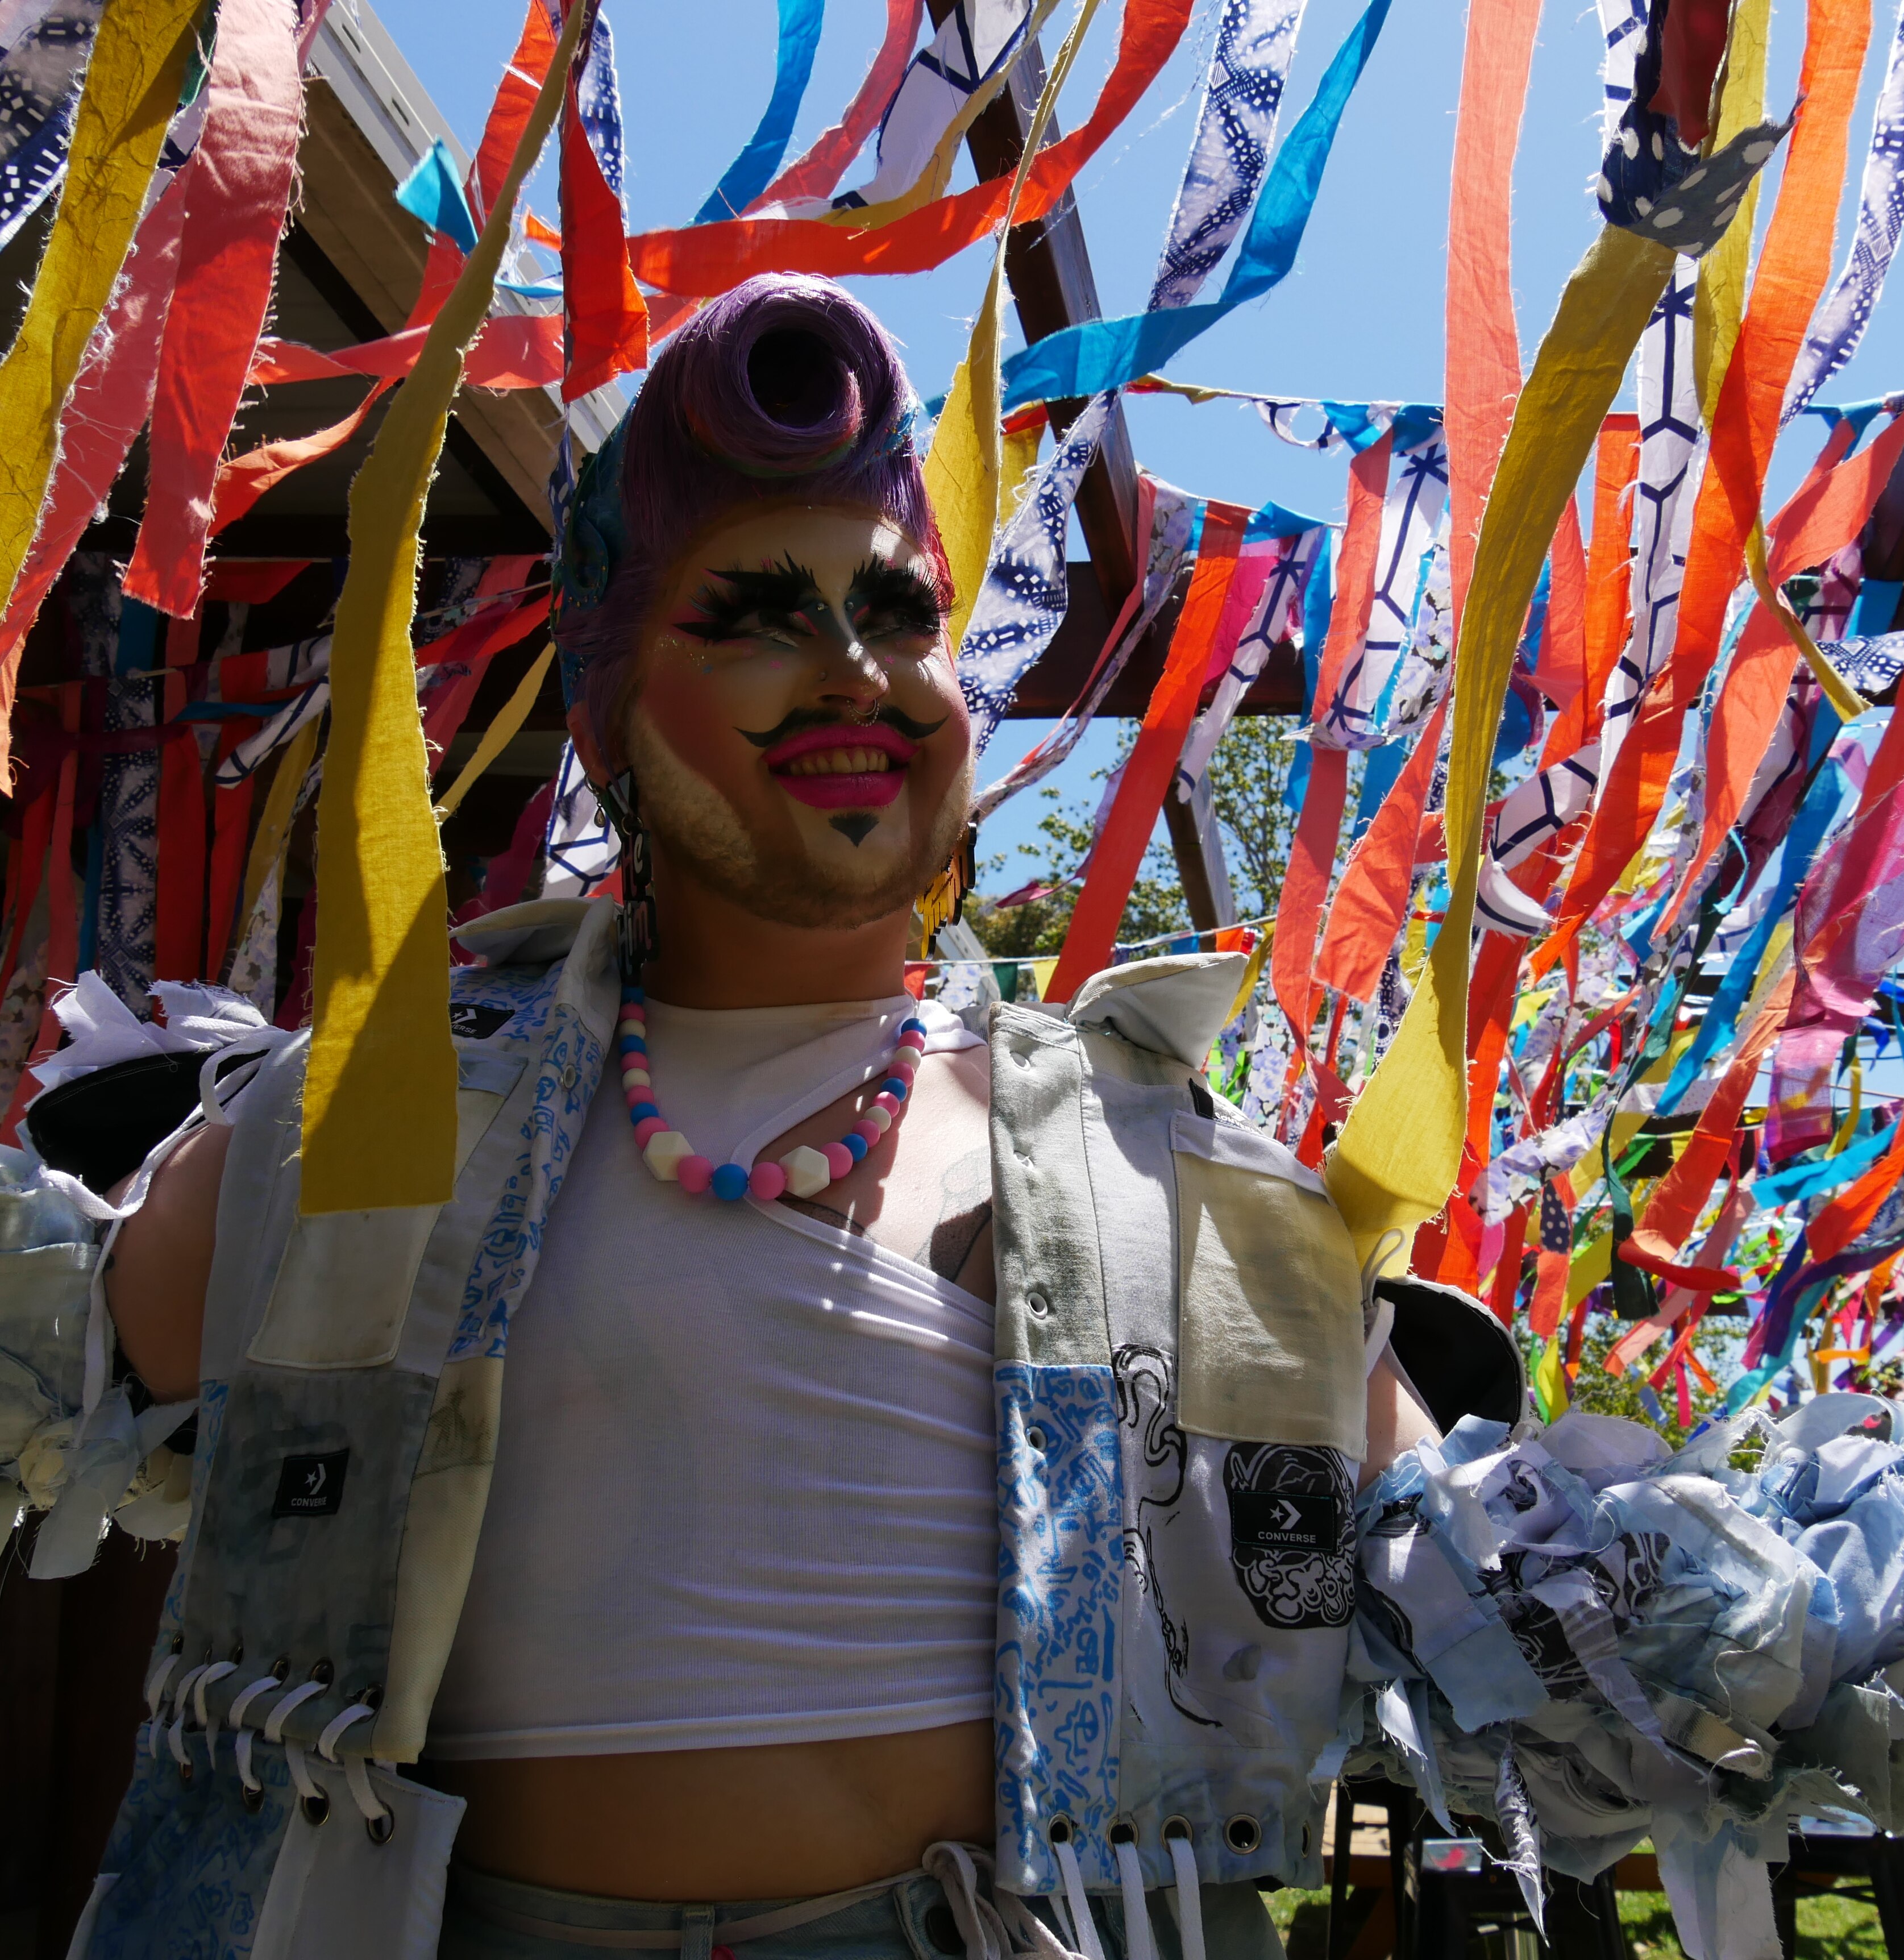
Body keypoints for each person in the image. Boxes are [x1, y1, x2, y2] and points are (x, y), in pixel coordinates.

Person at [94, 271, 1439, 1960]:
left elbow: (1445, 1559)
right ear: (605, 713)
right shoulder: (381, 1107)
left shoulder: (1163, 1152)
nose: (852, 674)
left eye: (896, 612)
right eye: (750, 615)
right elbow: (24, 1355)